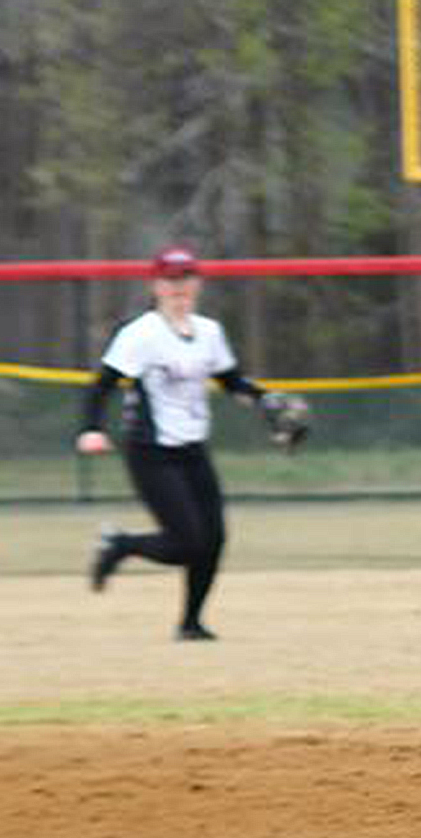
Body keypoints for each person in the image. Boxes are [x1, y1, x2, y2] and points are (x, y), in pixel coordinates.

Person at [76, 245, 301, 641]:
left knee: (213, 540)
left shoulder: (209, 332)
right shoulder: (141, 333)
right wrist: (92, 428)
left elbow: (230, 380)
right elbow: (102, 386)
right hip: (150, 451)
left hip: (193, 449)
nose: (179, 287)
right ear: (157, 285)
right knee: (185, 542)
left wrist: (264, 397)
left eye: (186, 278)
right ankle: (120, 544)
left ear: (197, 283)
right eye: (170, 279)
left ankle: (191, 623)